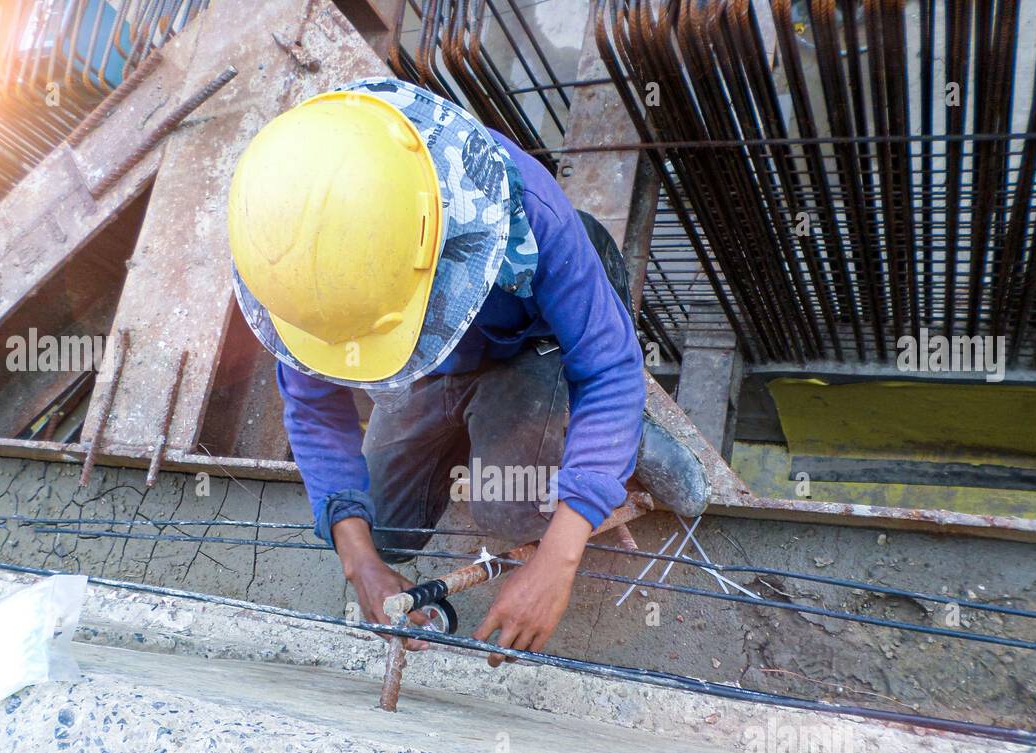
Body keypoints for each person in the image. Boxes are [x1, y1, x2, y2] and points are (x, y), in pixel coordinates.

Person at [228, 78, 705, 665]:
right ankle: (486, 423)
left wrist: (558, 558)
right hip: (423, 356)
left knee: (516, 508)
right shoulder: (293, 257)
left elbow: (607, 370)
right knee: (376, 531)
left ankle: (621, 436)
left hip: (534, 336)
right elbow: (311, 406)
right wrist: (362, 566)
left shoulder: (527, 209)